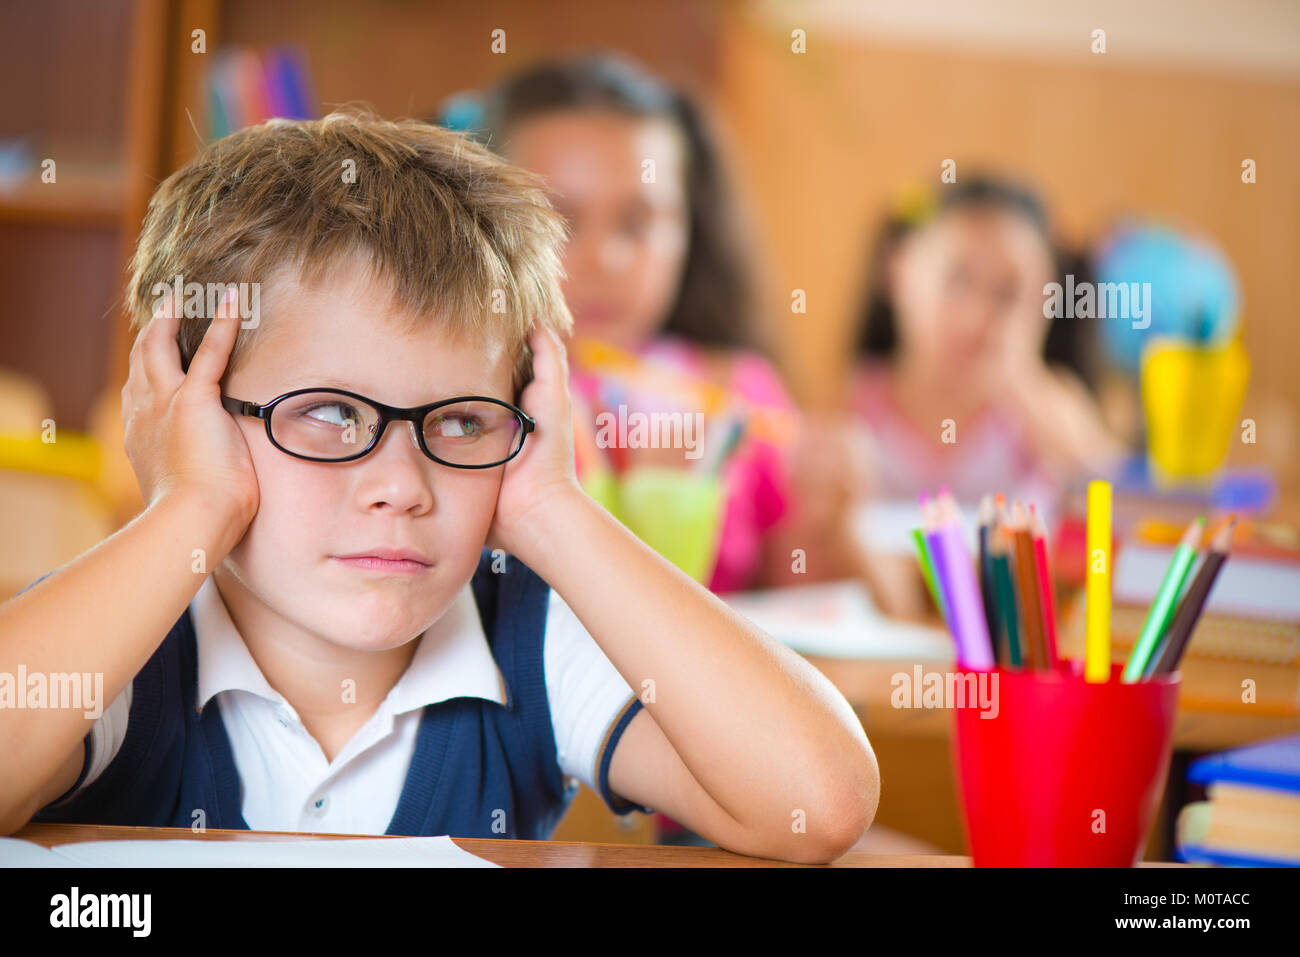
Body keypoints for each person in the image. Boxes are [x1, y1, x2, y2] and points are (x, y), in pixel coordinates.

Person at [0, 112, 878, 864]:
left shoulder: (525, 634)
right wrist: (189, 506)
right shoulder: (121, 639)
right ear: (187, 410)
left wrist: (550, 509)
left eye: (460, 422)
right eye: (331, 413)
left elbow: (819, 800)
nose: (401, 486)